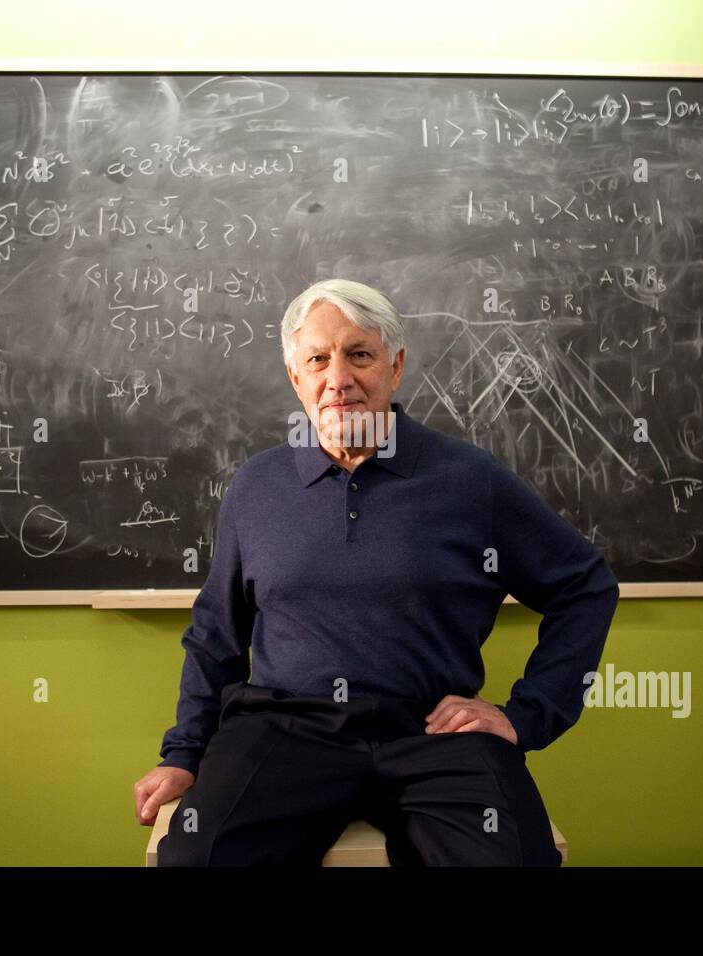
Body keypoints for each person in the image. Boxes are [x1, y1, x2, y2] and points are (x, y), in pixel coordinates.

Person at [133, 278, 620, 865]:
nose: (338, 379)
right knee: (197, 859)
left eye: (359, 354)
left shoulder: (470, 480)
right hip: (284, 732)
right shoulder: (256, 488)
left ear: (395, 366)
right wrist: (183, 754)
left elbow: (585, 585)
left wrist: (526, 715)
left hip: (433, 736)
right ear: (297, 379)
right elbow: (217, 633)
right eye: (318, 359)